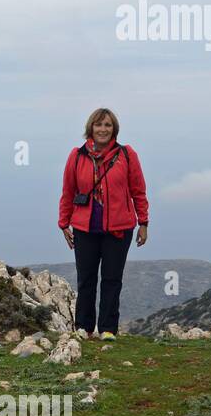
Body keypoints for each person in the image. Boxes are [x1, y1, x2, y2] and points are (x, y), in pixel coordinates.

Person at [57, 108, 148, 339]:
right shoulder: (77, 156)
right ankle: (83, 328)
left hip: (119, 229)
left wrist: (143, 222)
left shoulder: (127, 155)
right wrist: (63, 222)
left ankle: (108, 329)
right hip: (84, 228)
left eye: (107, 125)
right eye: (99, 125)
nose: (103, 129)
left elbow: (138, 190)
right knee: (85, 279)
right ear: (91, 128)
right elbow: (68, 192)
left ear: (114, 129)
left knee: (111, 279)